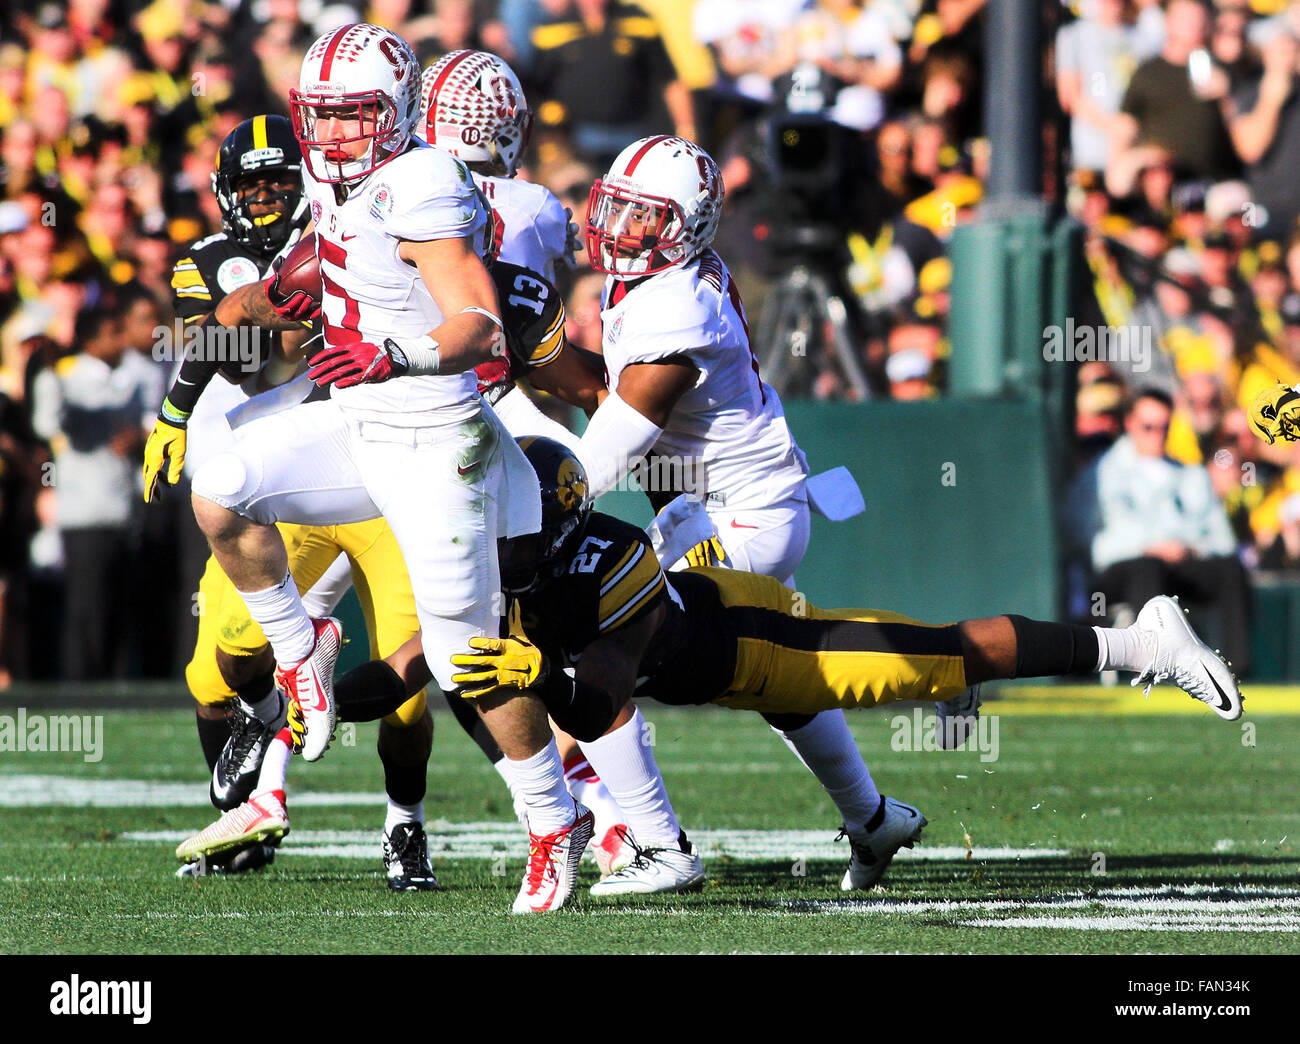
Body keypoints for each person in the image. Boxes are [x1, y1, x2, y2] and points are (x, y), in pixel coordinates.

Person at [332, 438, 1244, 887]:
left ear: (556, 522)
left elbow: (599, 700)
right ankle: (876, 823)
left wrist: (533, 674)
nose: (498, 538)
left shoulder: (602, 564)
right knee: (469, 677)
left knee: (938, 659)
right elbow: (408, 666)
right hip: (716, 624)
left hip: (752, 647)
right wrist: (320, 701)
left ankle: (1142, 639)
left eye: (516, 524)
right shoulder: (496, 565)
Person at [175, 24, 585, 915]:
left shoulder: (422, 180)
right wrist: (271, 308)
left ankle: (554, 822)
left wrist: (393, 353)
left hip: (437, 434)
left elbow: (475, 320)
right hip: (358, 420)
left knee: (462, 654)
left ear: (399, 112)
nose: (331, 136)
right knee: (222, 485)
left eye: (353, 116)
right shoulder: (337, 179)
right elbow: (306, 282)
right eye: (317, 117)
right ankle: (301, 649)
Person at [573, 133, 932, 891]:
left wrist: (544, 497)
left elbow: (610, 449)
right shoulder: (657, 281)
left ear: (689, 228)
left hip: (742, 514)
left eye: (647, 218)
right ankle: (872, 819)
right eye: (622, 210)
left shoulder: (677, 302)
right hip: (728, 504)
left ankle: (648, 839)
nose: (624, 230)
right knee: (773, 681)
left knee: (587, 640)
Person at [146, 114, 440, 890]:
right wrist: (293, 293)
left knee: (412, 686)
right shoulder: (209, 258)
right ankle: (253, 787)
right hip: (280, 488)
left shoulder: (360, 223)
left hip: (376, 473)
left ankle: (404, 827)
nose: (270, 195)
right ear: (225, 193)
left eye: (283, 179)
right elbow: (246, 354)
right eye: (253, 183)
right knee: (217, 671)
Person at [1072, 387, 1252, 675]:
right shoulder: (1100, 474)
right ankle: (1156, 670)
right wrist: (1148, 546)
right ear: (1129, 423)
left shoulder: (1191, 474)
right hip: (1125, 568)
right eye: (1148, 427)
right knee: (1147, 568)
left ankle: (1235, 674)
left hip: (1183, 561)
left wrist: (1190, 548)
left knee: (1230, 569)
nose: (1157, 434)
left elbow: (1223, 540)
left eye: (1164, 428)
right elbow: (1085, 538)